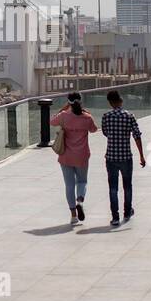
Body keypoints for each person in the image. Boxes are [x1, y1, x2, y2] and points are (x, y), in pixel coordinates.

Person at [50, 91, 98, 224]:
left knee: (69, 185)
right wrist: (87, 114)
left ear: (68, 102)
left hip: (66, 156)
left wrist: (62, 110)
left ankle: (73, 215)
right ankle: (80, 201)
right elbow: (94, 129)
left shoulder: (63, 116)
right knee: (82, 181)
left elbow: (51, 122)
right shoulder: (87, 117)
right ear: (80, 101)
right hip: (82, 155)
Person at [100, 90, 145, 227]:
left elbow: (105, 133)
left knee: (113, 188)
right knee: (127, 186)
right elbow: (137, 135)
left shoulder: (106, 116)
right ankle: (127, 212)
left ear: (110, 102)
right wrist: (142, 155)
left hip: (111, 157)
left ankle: (115, 217)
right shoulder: (129, 116)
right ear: (121, 100)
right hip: (126, 156)